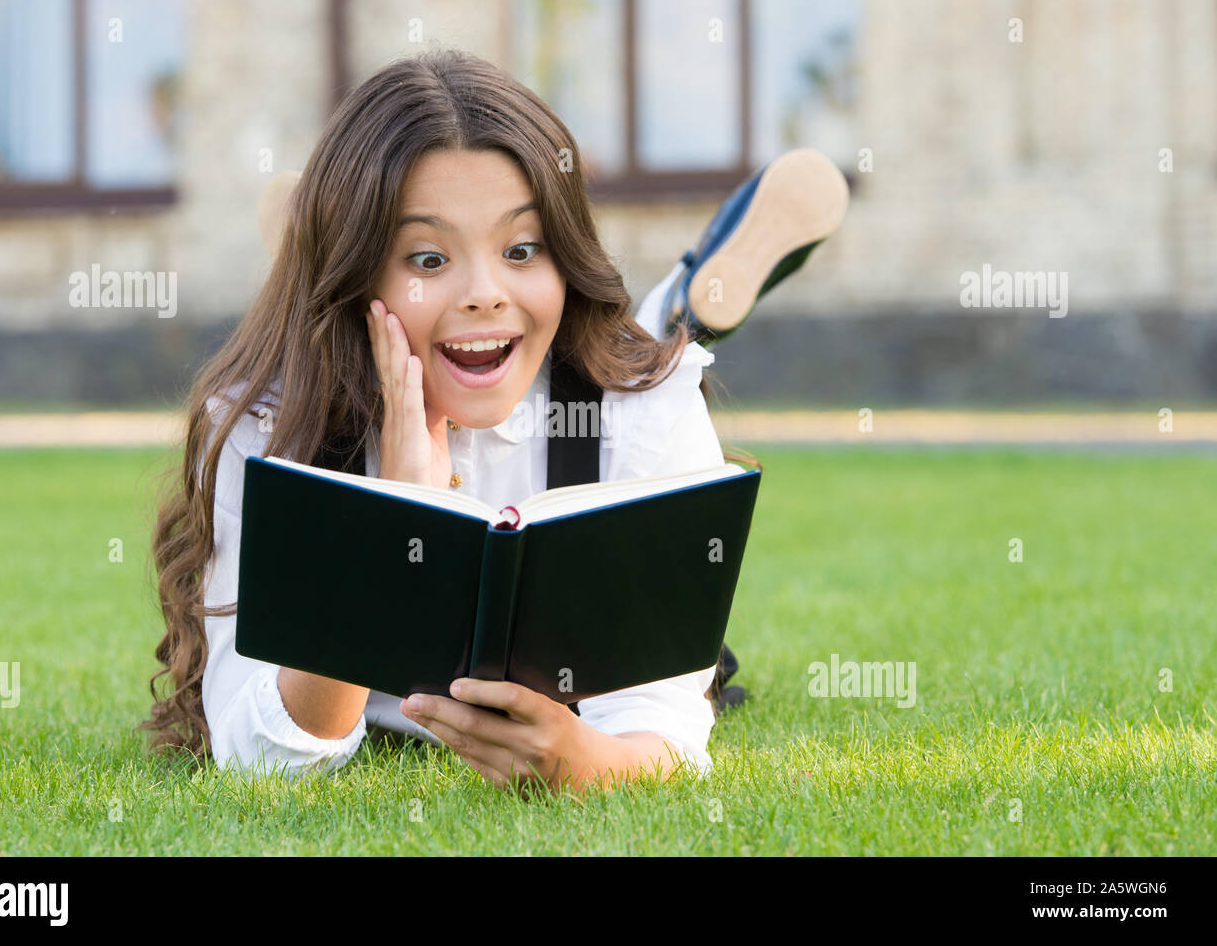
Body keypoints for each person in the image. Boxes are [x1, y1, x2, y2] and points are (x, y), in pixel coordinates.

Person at [140, 48, 844, 795]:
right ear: (356, 275)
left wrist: (577, 763)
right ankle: (329, 271)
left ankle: (679, 309)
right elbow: (257, 759)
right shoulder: (267, 425)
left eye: (520, 248)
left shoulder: (642, 408)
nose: (485, 291)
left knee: (632, 361)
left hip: (591, 405)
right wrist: (387, 522)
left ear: (563, 256)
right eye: (428, 257)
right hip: (351, 365)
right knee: (351, 372)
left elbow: (662, 726)